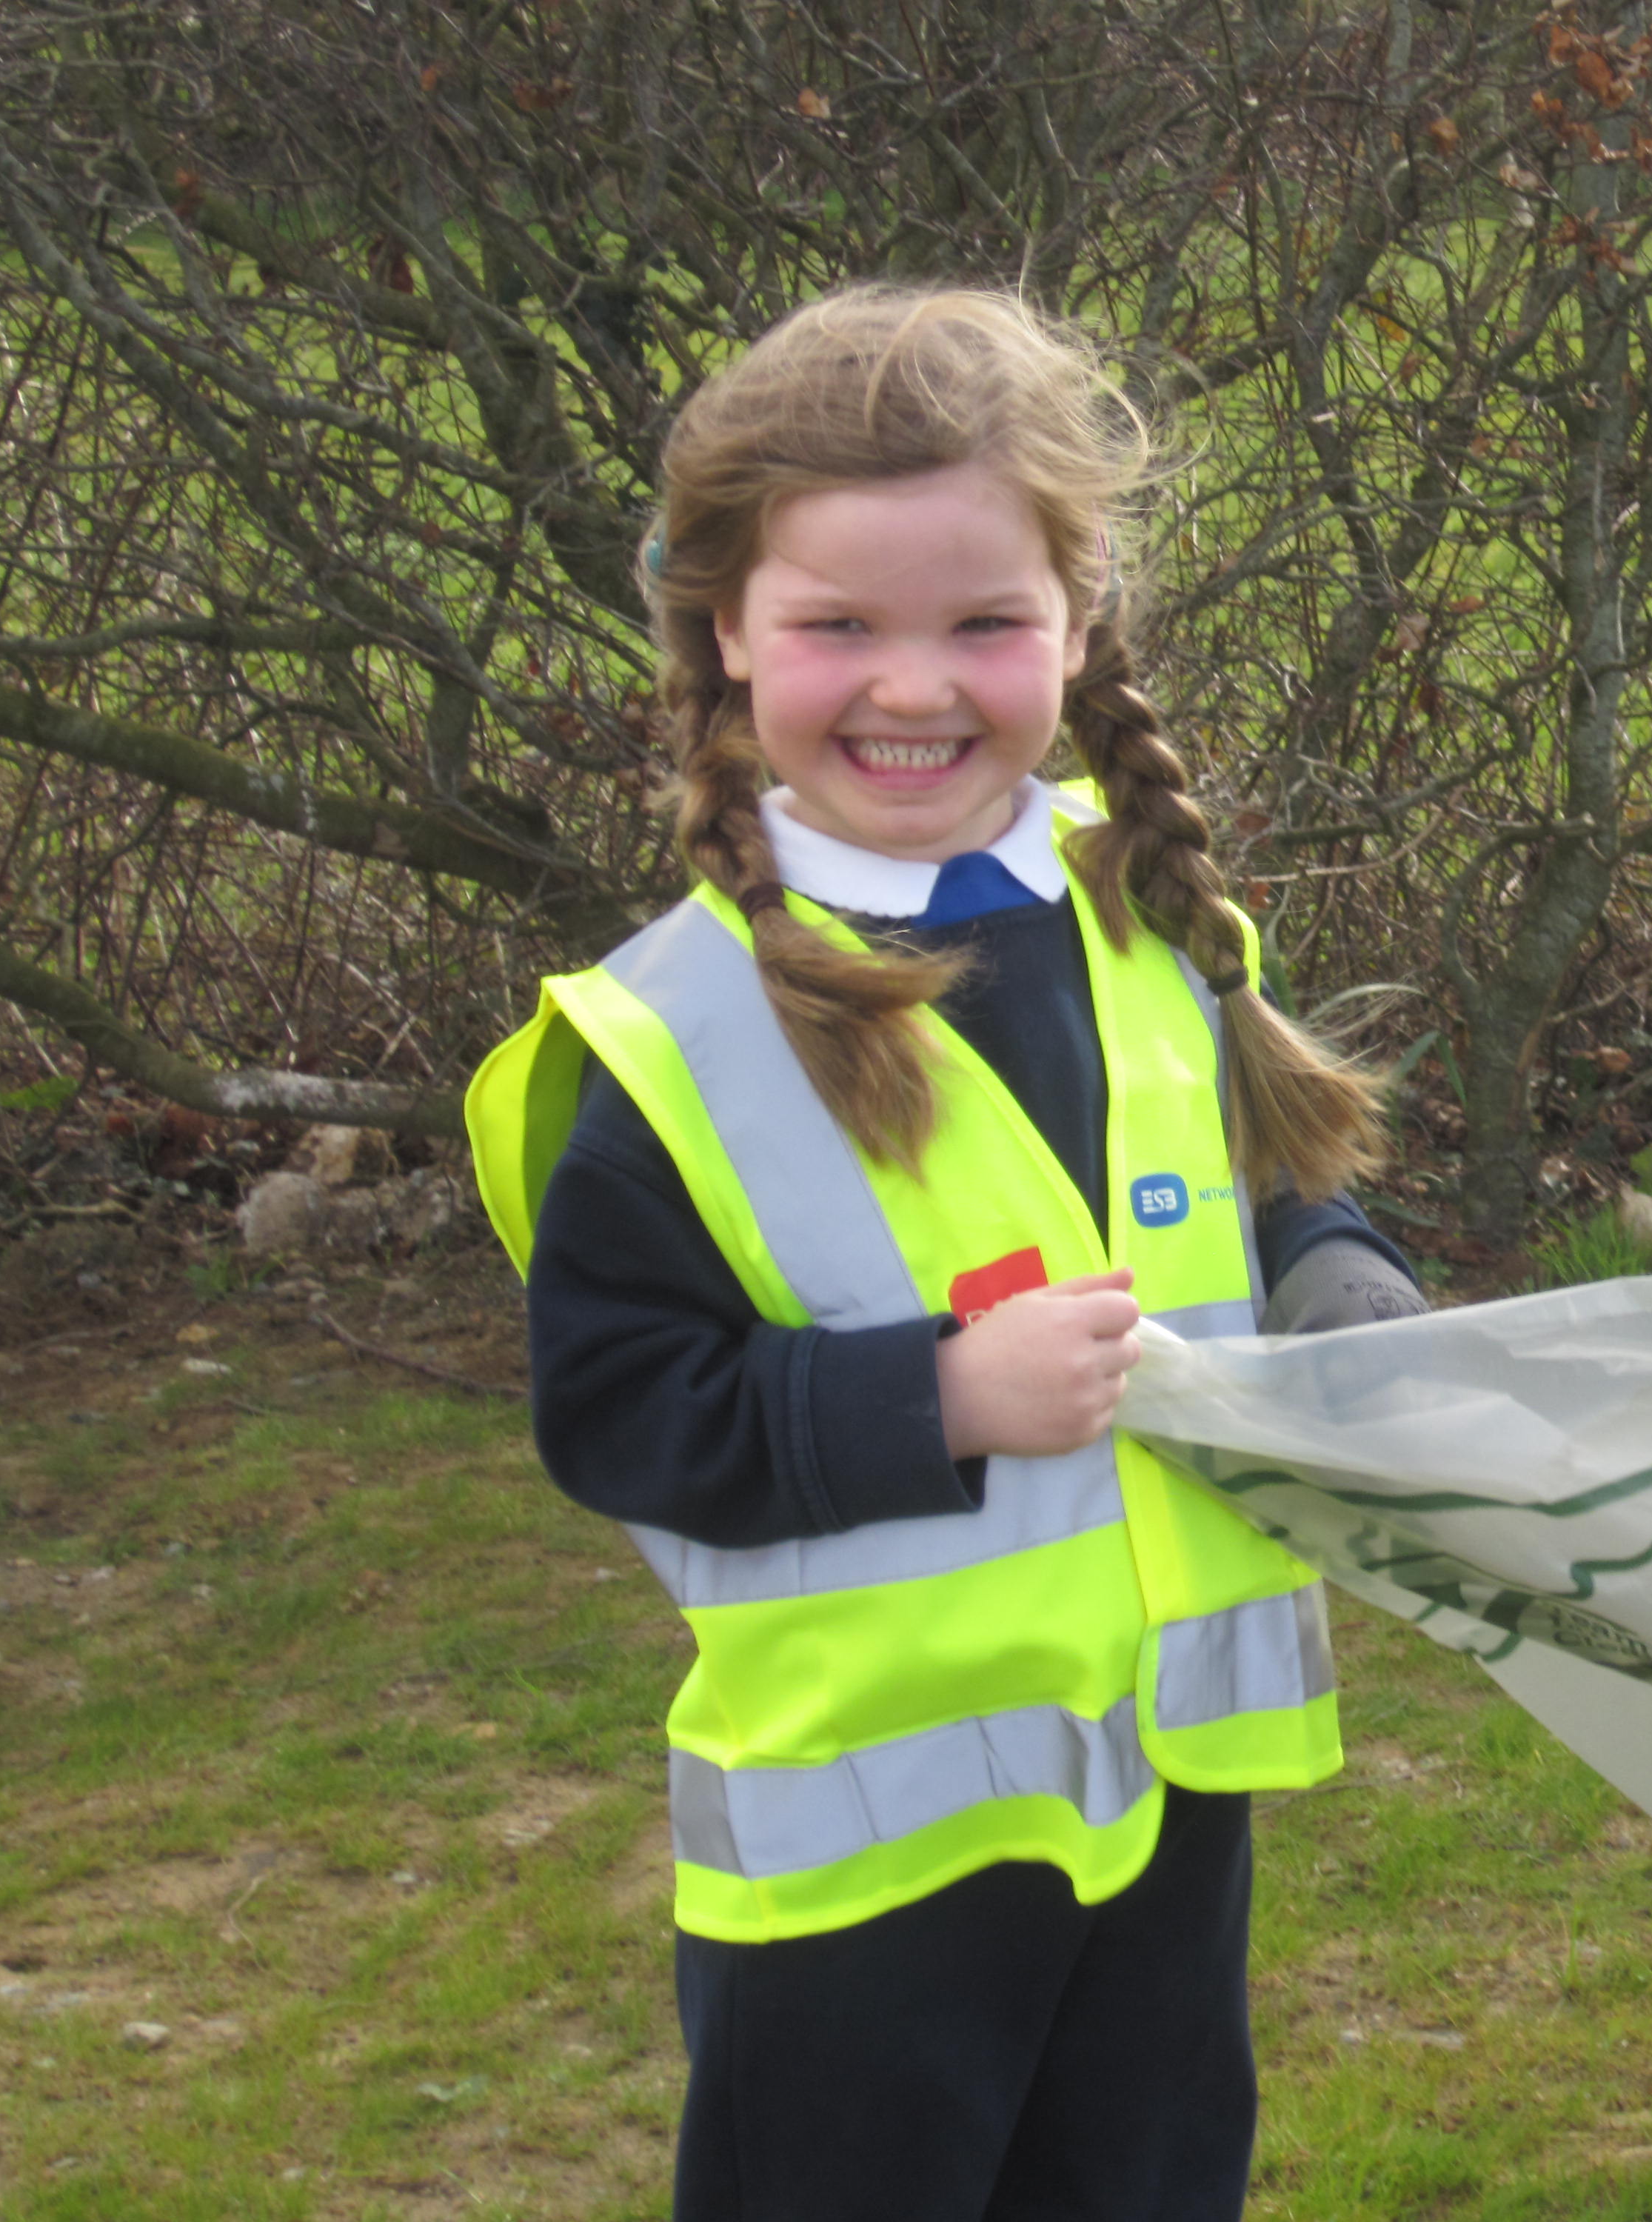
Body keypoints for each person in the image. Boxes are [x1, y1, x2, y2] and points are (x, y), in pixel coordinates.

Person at [464, 285, 1421, 2222]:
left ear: (1079, 627)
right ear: (729, 629)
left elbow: (1258, 1188)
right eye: (838, 628)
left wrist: (1341, 1283)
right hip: (863, 1855)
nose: (914, 689)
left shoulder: (1149, 925)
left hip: (1163, 1805)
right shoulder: (677, 1031)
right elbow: (622, 1412)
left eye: (984, 624)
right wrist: (939, 1400)